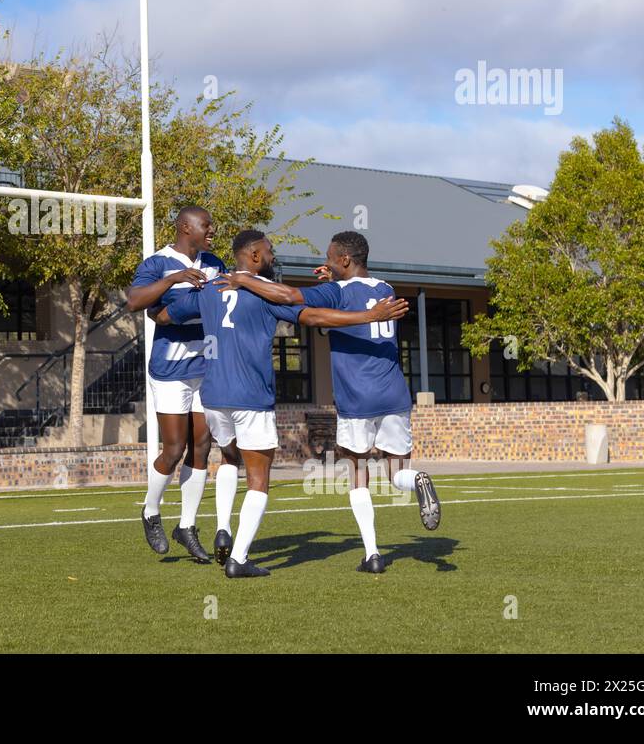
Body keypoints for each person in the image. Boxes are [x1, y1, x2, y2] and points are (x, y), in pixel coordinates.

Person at [156, 230, 409, 578]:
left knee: (228, 457)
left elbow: (164, 315)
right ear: (256, 256)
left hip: (212, 396)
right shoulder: (263, 294)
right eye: (270, 252)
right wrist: (370, 315)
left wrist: (165, 286)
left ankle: (222, 527)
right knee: (258, 478)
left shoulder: (210, 289)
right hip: (251, 397)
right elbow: (313, 317)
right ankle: (239, 558)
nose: (274, 257)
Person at [217, 230, 441, 575]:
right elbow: (350, 292)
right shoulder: (386, 289)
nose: (326, 262)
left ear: (345, 260)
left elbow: (291, 296)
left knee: (358, 473)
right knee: (398, 474)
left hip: (357, 397)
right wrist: (333, 277)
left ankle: (372, 554)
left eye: (330, 257)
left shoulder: (335, 291)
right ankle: (419, 480)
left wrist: (243, 281)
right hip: (395, 394)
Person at [125, 206, 227, 562]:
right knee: (173, 448)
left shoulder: (215, 262)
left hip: (206, 366)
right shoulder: (157, 263)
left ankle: (187, 526)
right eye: (206, 224)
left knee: (201, 445)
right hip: (171, 369)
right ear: (186, 227)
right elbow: (135, 302)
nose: (211, 230)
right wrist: (174, 280)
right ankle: (151, 510)